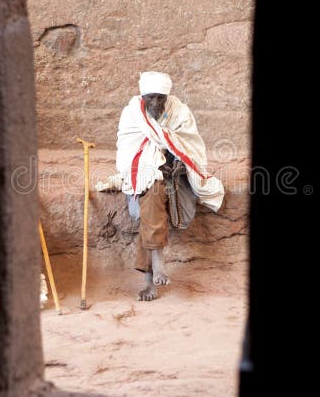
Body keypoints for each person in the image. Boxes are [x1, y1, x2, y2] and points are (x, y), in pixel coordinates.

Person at [95, 71, 225, 301]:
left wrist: (179, 165)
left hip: (176, 172)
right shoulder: (132, 112)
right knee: (152, 192)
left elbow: (189, 147)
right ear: (143, 95)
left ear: (167, 96)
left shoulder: (179, 111)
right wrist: (154, 166)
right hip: (143, 171)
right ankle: (154, 269)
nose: (155, 103)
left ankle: (150, 273)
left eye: (160, 98)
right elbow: (129, 154)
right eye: (151, 97)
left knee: (159, 191)